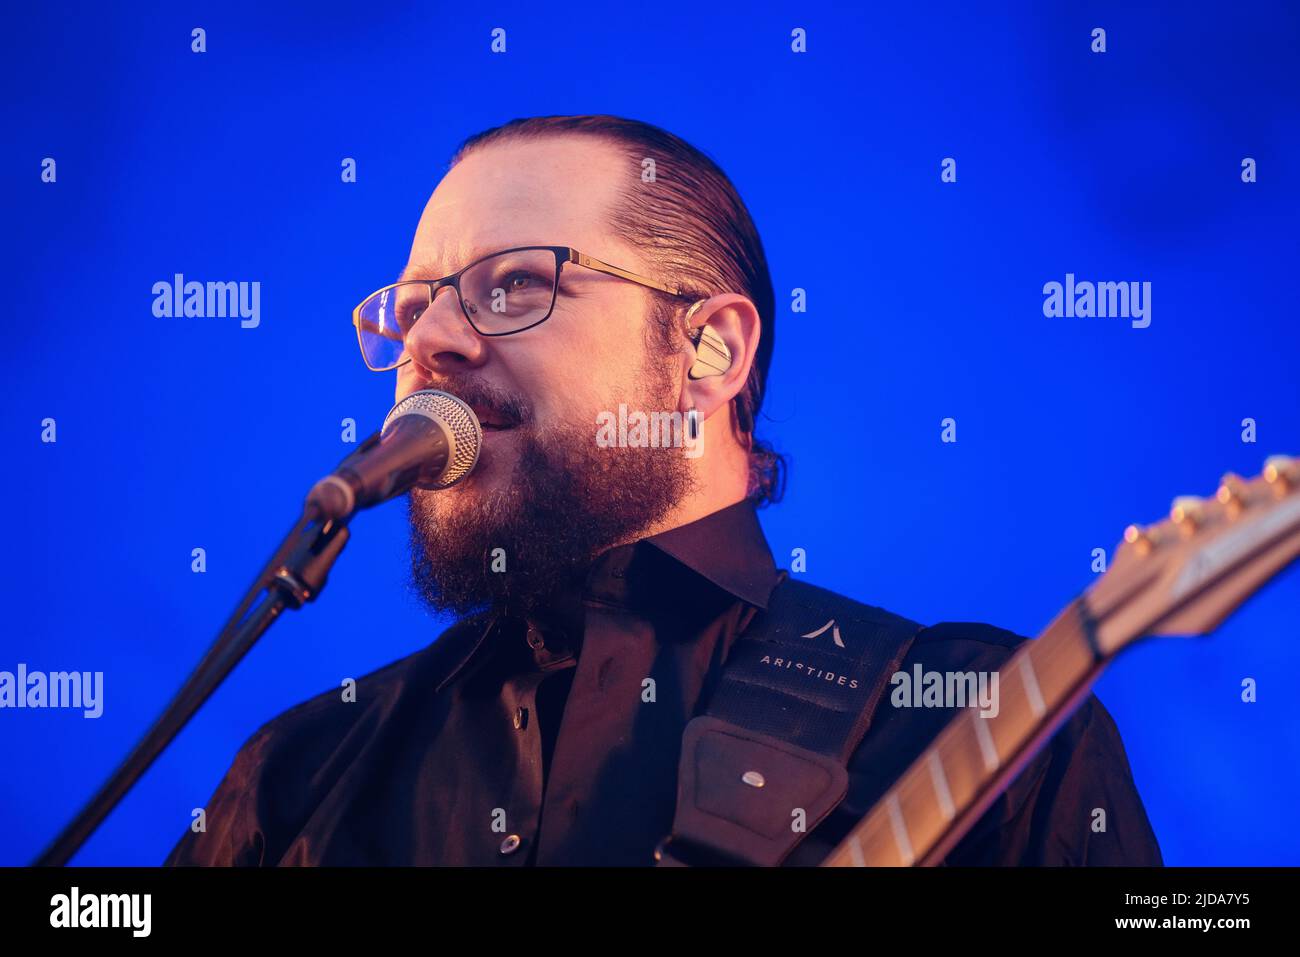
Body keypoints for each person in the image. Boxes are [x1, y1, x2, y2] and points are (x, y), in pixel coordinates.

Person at [165, 115, 1161, 867]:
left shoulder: (982, 719)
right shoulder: (299, 773)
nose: (428, 340)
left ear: (710, 349)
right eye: (415, 307)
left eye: (513, 284)